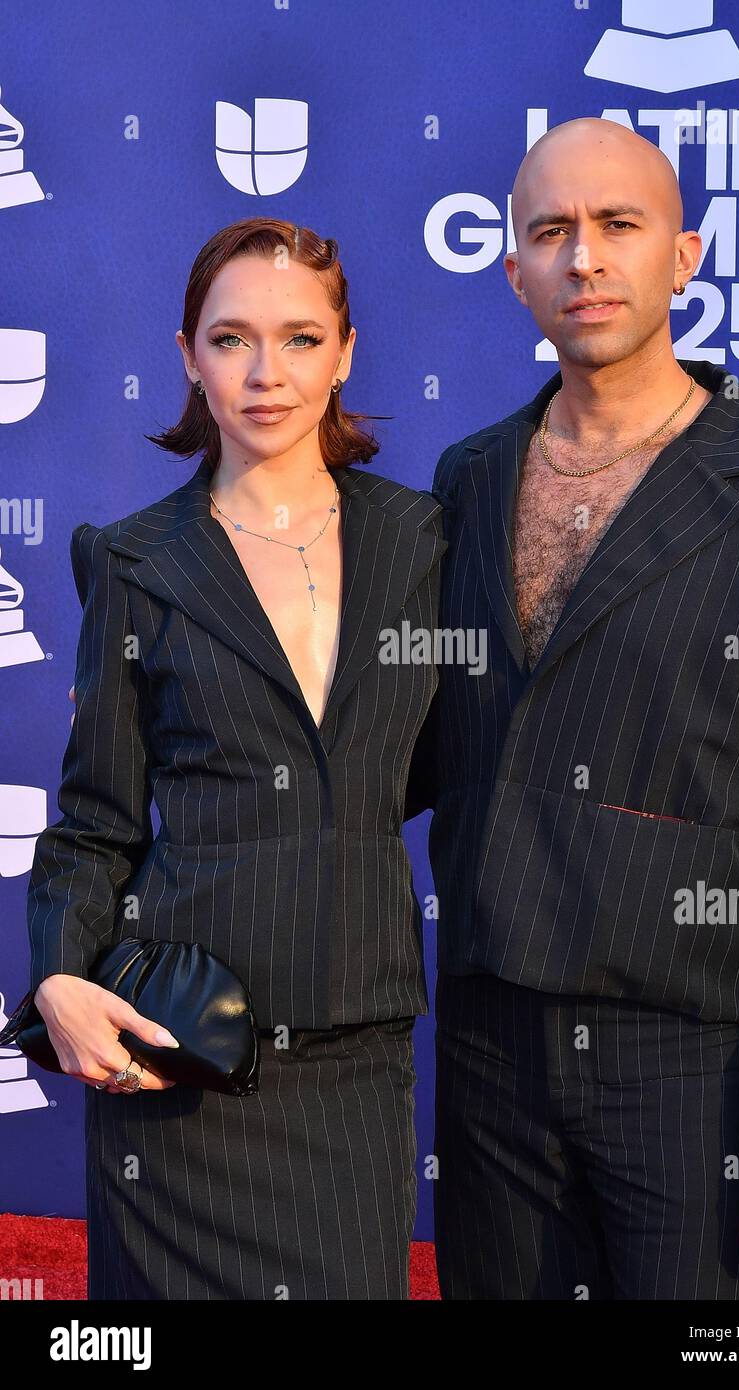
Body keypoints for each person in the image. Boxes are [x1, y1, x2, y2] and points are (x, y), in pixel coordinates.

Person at [423, 118, 739, 1299]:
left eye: (619, 225)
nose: (585, 258)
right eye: (551, 231)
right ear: (511, 266)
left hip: (695, 1065)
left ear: (684, 255)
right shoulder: (466, 477)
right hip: (484, 1050)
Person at [27, 216, 446, 1300]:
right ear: (185, 356)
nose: (267, 373)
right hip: (177, 1055)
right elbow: (94, 822)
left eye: (300, 339)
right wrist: (59, 978)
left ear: (346, 350)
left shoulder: (425, 542)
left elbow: (463, 760)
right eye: (231, 339)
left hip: (356, 1056)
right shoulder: (133, 561)